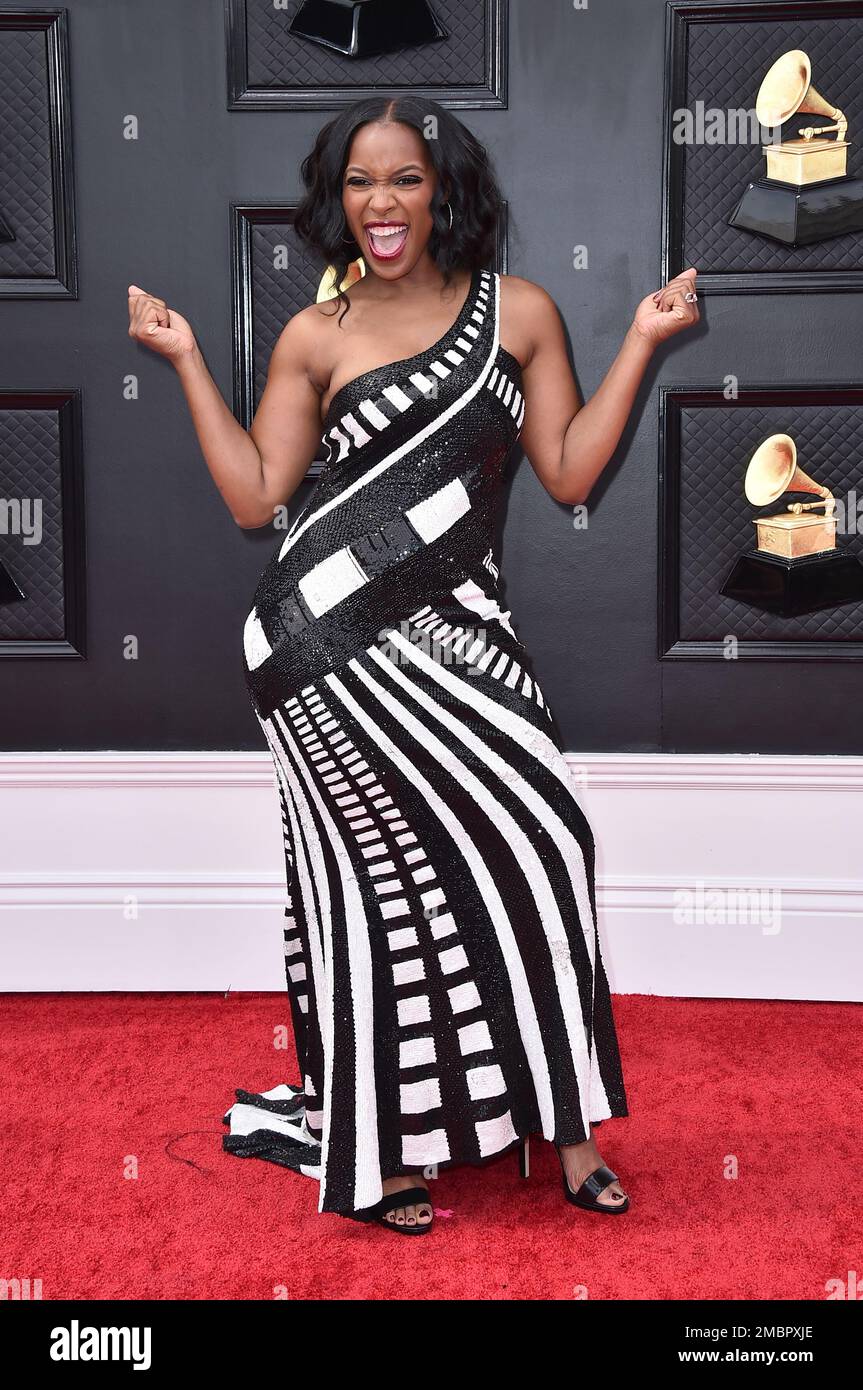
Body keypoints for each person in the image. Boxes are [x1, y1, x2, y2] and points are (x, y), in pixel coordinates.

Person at [127, 95, 698, 1235]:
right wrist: (189, 359)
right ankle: (380, 1149)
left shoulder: (520, 315)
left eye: (401, 179)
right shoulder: (314, 336)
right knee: (363, 898)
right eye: (356, 183)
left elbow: (572, 473)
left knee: (544, 844)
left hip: (460, 636)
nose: (379, 203)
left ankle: (565, 1127)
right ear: (336, 201)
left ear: (443, 190)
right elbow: (255, 496)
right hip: (318, 647)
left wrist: (641, 337)